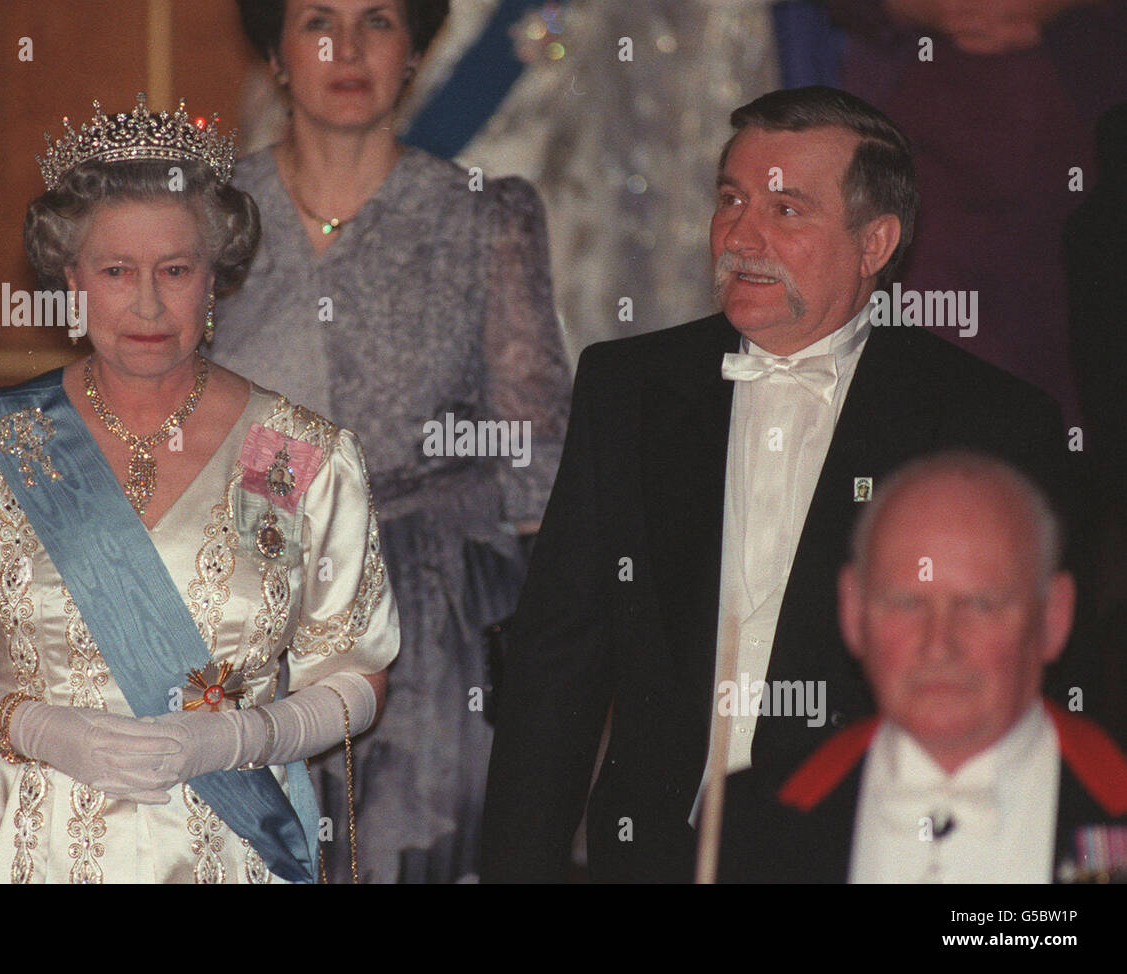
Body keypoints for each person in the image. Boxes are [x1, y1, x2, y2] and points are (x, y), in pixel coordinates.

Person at [483, 85, 1074, 882]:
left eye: (787, 210)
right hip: (652, 856)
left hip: (868, 856)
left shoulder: (983, 423)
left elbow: (1022, 689)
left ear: (876, 243)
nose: (741, 234)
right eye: (731, 199)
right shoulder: (629, 388)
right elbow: (558, 667)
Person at [0, 93, 398, 884]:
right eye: (117, 271)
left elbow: (356, 676)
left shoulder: (289, 454)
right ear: (71, 279)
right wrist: (39, 728)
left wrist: (237, 740)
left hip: (233, 845)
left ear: (214, 279)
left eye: (175, 270)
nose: (147, 303)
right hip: (25, 846)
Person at [215, 0, 572, 883]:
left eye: (378, 21)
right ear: (276, 50)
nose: (348, 48)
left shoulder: (487, 217)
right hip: (245, 606)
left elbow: (538, 464)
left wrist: (558, 677)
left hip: (438, 624)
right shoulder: (204, 222)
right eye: (318, 21)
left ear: (415, 48)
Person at [715, 451, 1127, 883]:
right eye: (907, 603)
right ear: (853, 612)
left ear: (1052, 618)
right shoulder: (748, 823)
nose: (939, 647)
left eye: (980, 604)